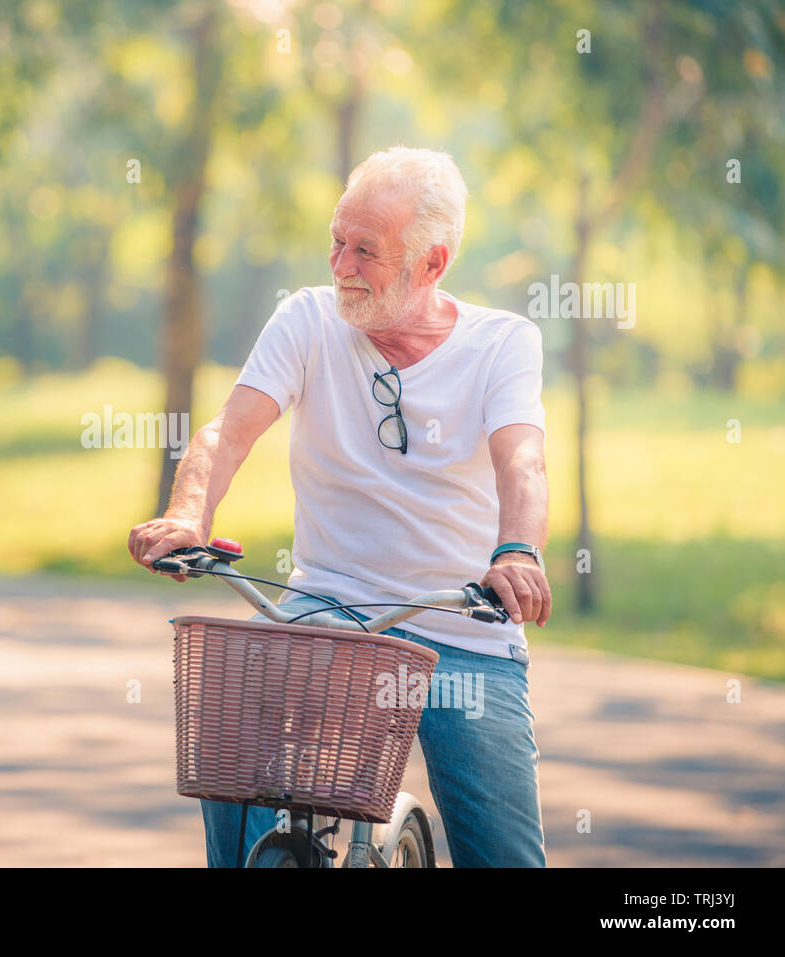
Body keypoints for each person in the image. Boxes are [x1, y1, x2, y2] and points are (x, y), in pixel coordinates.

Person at [127, 147, 550, 867]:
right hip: (326, 612)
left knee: (504, 855)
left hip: (463, 624)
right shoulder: (307, 320)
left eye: (366, 251)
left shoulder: (503, 342)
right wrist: (187, 514)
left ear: (431, 264)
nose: (341, 265)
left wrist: (516, 550)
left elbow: (523, 460)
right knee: (234, 725)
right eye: (336, 241)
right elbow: (226, 432)